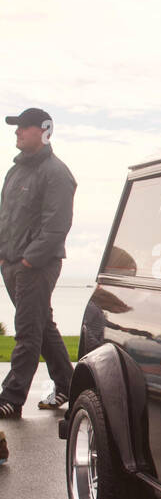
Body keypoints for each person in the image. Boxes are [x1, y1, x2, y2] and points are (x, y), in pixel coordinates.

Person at [0, 108, 76, 419]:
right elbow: (5, 217)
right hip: (13, 264)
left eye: (24, 127)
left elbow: (56, 225)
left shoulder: (57, 173)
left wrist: (30, 260)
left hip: (36, 266)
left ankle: (11, 397)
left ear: (44, 131)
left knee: (27, 331)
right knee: (42, 326)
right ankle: (68, 385)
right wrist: (4, 255)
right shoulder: (14, 172)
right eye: (16, 127)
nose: (17, 132)